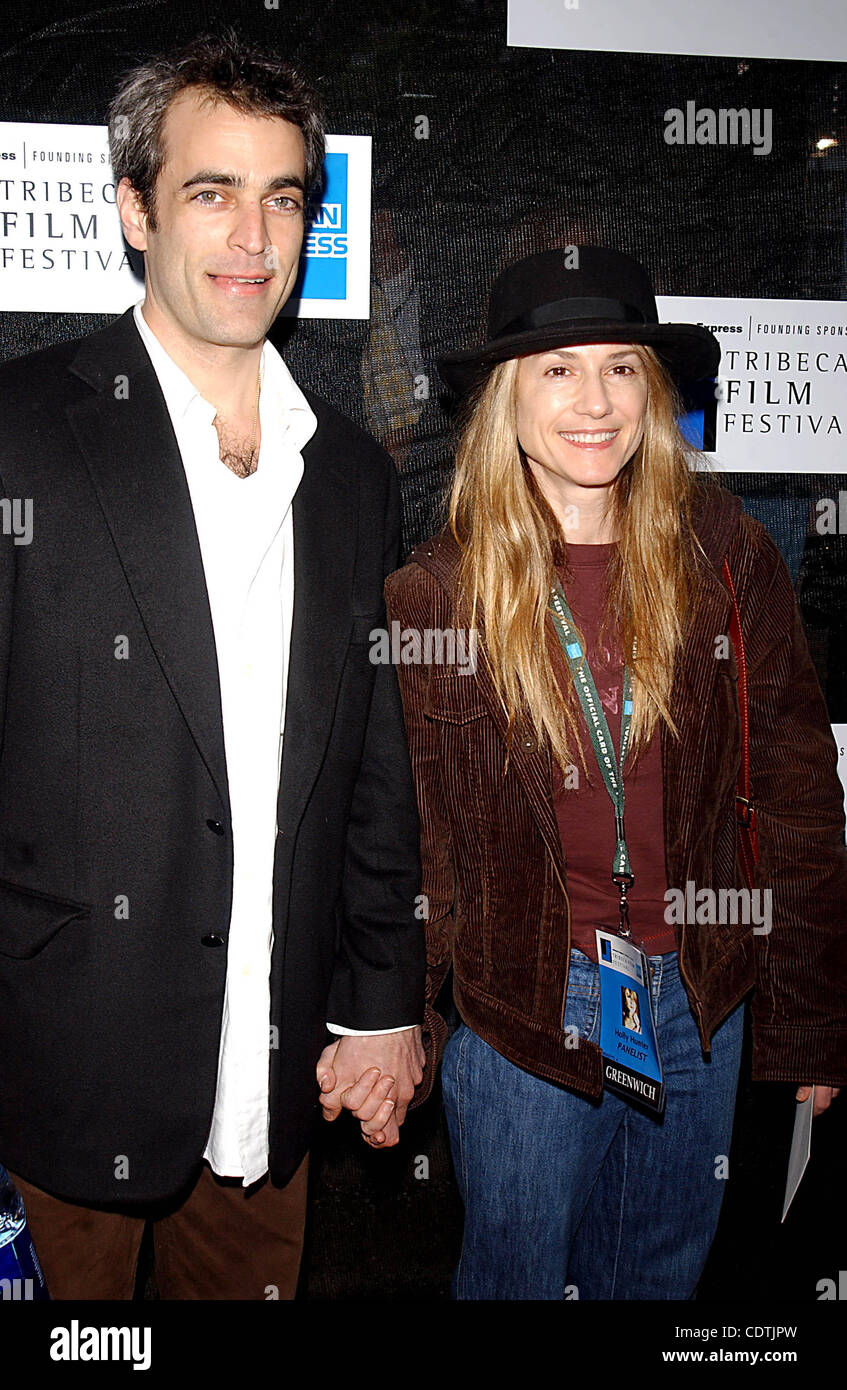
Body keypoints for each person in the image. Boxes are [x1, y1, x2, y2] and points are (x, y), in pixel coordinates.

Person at [0, 31, 425, 1301]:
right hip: (50, 1080)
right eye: (210, 191)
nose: (253, 236)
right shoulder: (19, 434)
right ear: (134, 210)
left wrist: (384, 1002)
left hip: (273, 1082)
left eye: (281, 196)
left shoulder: (351, 477)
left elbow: (376, 772)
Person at [385, 245, 847, 1300]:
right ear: (505, 400)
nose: (594, 401)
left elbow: (796, 799)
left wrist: (811, 1021)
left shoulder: (728, 558)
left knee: (657, 1282)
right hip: (526, 1016)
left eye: (621, 367)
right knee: (512, 1284)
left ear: (653, 387)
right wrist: (399, 1022)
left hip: (696, 1001)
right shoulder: (433, 596)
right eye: (556, 369)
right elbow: (418, 846)